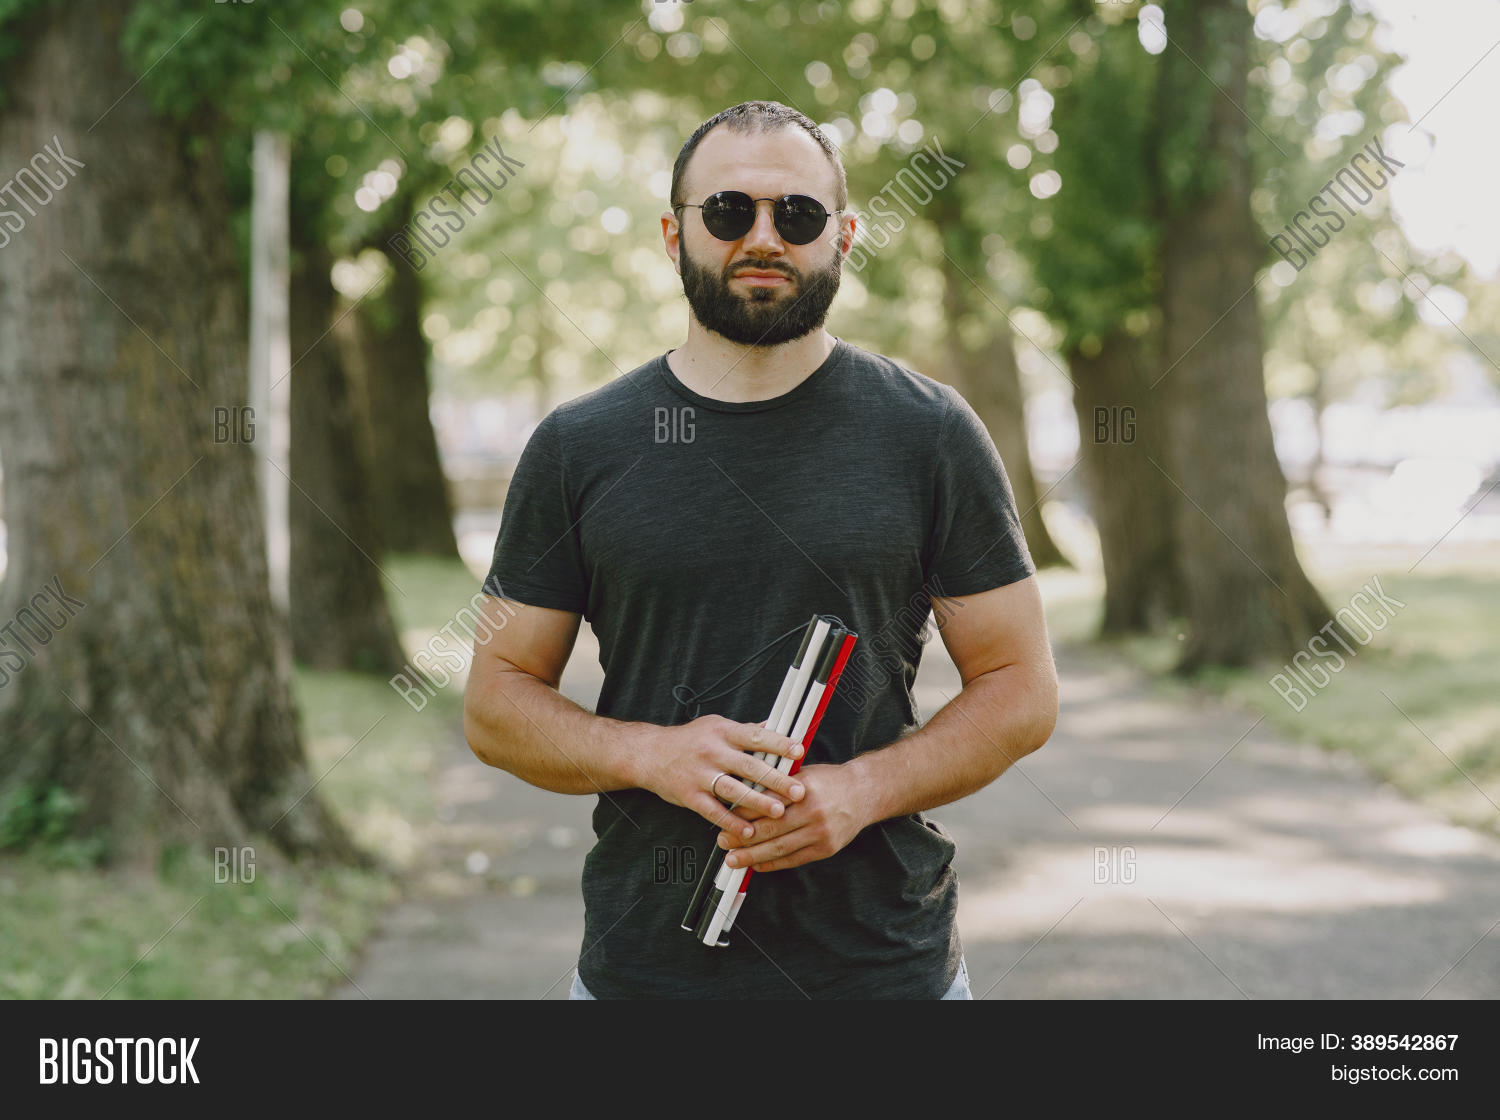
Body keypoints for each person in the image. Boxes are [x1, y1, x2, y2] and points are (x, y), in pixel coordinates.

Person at [463, 100, 1058, 999]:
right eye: (729, 211)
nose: (764, 238)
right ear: (674, 234)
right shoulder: (579, 447)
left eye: (799, 214)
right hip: (646, 978)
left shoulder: (929, 434)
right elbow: (495, 704)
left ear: (844, 237)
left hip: (885, 974)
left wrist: (860, 790)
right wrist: (651, 755)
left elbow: (1022, 689)